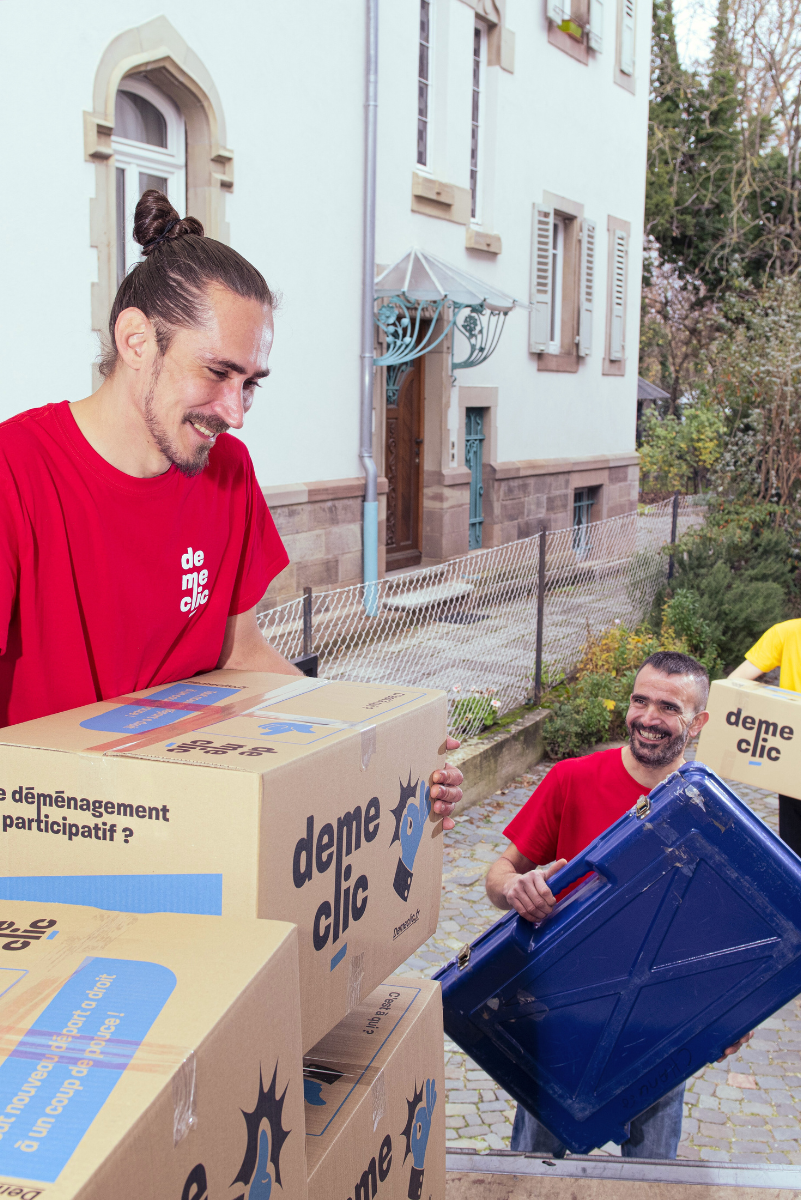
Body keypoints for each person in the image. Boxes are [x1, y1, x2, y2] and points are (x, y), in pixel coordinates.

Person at [0, 190, 463, 819]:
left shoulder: (228, 471)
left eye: (250, 384)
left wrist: (385, 753)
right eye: (218, 373)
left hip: (184, 815)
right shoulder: (15, 473)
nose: (235, 413)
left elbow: (238, 652)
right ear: (136, 340)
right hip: (53, 822)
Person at [485, 651, 752, 1159]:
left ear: (698, 723)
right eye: (640, 701)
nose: (648, 718)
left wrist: (736, 1012)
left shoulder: (711, 811)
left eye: (669, 707)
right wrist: (517, 888)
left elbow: (733, 935)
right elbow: (498, 876)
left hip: (661, 1026)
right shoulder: (571, 778)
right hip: (563, 1016)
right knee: (534, 1173)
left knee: (651, 1180)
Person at [729, 619, 801, 854]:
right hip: (793, 755)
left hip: (793, 752)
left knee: (794, 846)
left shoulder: (788, 632)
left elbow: (735, 682)